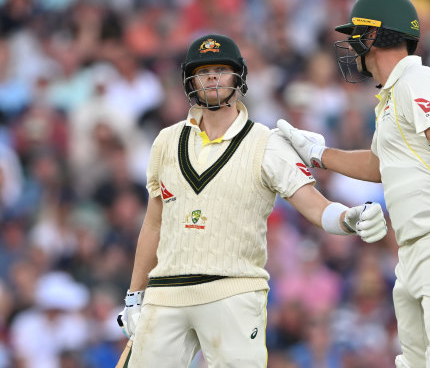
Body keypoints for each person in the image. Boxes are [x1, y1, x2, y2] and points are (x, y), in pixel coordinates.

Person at [116, 33, 388, 368]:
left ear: (239, 76)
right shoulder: (166, 141)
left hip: (232, 290)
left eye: (220, 69)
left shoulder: (267, 142)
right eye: (203, 71)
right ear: (189, 80)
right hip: (166, 291)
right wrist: (134, 295)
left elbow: (313, 205)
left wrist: (348, 219)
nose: (212, 77)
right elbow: (154, 223)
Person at [277, 0, 430, 368]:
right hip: (412, 250)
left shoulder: (417, 79)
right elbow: (381, 166)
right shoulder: (392, 96)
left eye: (356, 36)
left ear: (374, 36)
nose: (351, 47)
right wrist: (319, 154)